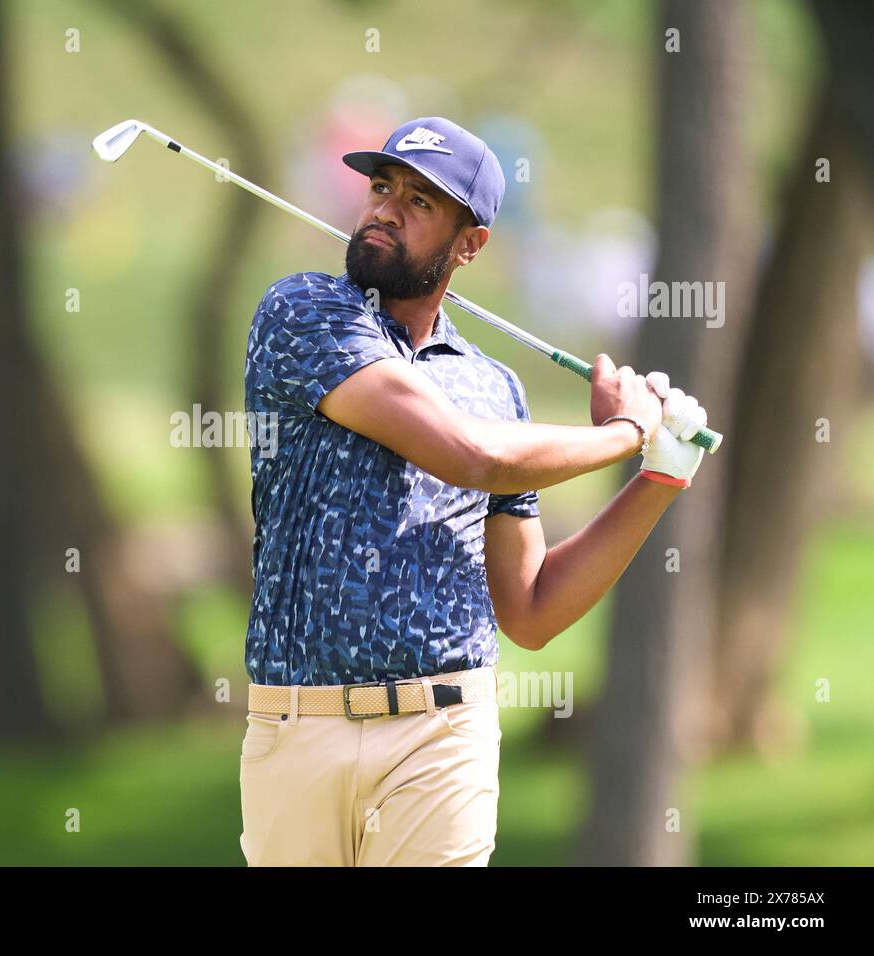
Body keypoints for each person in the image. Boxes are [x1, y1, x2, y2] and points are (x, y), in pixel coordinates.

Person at [239, 116, 707, 866]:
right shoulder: (304, 313)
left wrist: (659, 475)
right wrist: (625, 434)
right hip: (298, 728)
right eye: (382, 188)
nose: (385, 209)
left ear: (470, 243)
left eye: (420, 202)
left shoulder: (495, 388)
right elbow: (470, 456)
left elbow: (531, 609)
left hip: (442, 733)